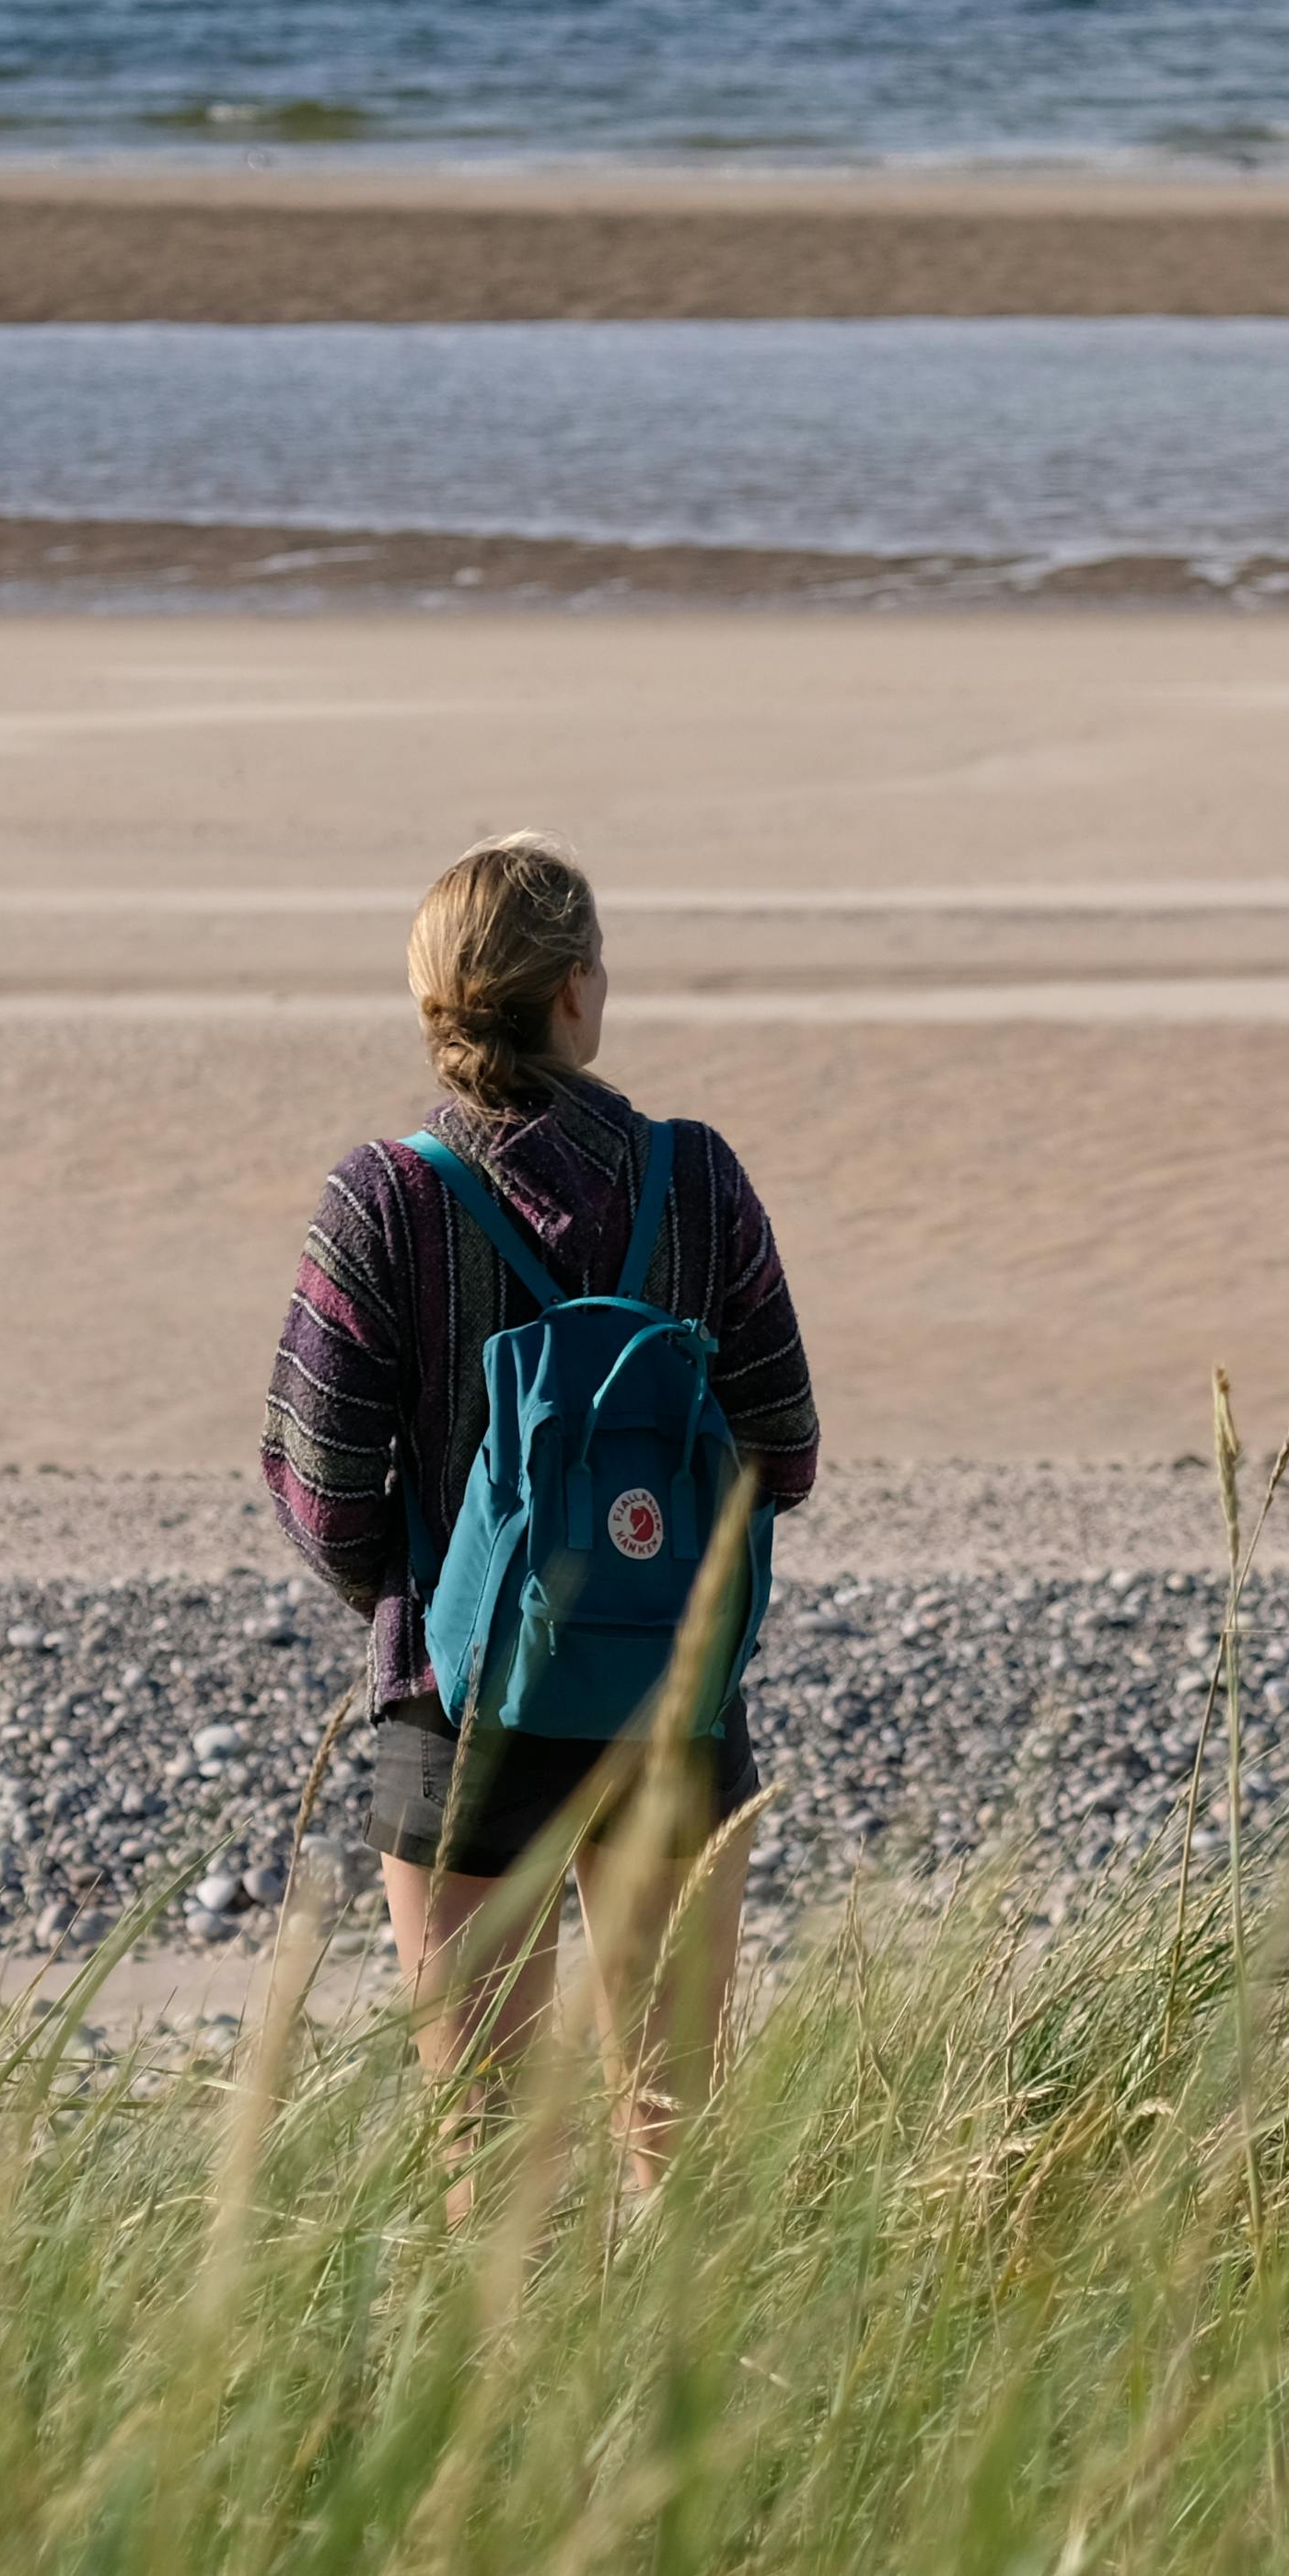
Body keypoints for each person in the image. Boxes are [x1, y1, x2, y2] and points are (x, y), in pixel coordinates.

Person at [261, 833, 819, 2179]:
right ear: (573, 989)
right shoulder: (698, 1180)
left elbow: (318, 1485)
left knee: (495, 2159)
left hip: (459, 1718)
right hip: (673, 1696)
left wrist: (432, 1603)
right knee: (680, 2143)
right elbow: (786, 1450)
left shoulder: (382, 1200)